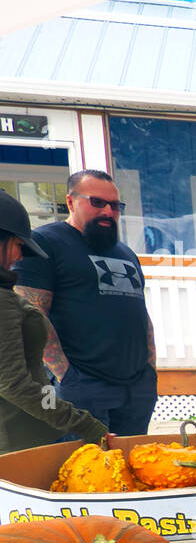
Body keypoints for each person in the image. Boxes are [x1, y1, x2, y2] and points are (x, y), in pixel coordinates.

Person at [14, 169, 157, 435]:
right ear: (71, 201)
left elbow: (140, 315)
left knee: (134, 470)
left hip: (136, 390)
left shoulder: (126, 253)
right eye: (97, 202)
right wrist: (66, 376)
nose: (108, 212)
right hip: (82, 389)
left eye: (115, 205)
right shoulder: (43, 243)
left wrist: (150, 372)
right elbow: (31, 314)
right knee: (86, 472)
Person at [0, 191, 108, 453]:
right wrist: (85, 424)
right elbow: (15, 384)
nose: (20, 257)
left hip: (34, 432)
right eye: (18, 245)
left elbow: (36, 378)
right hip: (20, 443)